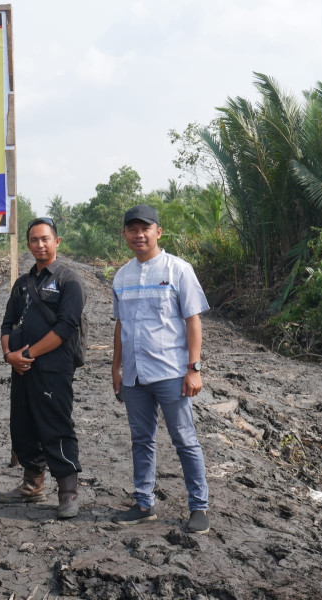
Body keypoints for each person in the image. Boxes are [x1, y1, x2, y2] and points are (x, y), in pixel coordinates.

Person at [111, 204, 211, 534]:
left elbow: (192, 321)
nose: (139, 235)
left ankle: (199, 507)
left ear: (158, 231)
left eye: (145, 228)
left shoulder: (179, 270)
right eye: (132, 229)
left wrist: (193, 368)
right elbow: (120, 325)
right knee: (141, 439)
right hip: (135, 375)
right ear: (125, 234)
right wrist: (117, 368)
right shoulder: (122, 276)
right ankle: (143, 503)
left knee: (185, 439)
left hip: (171, 372)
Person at [0, 217, 86, 519]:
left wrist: (28, 353)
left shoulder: (68, 281)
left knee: (55, 427)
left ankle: (68, 492)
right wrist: (10, 355)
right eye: (34, 240)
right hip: (21, 369)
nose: (40, 244)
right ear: (28, 244)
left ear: (57, 242)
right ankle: (32, 484)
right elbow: (7, 323)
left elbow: (66, 327)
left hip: (52, 369)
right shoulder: (22, 284)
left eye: (45, 239)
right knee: (22, 426)